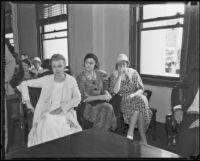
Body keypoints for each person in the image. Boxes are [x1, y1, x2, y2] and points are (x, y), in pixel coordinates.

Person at [18, 54, 82, 147]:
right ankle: (50, 150)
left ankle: (62, 150)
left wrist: (62, 108)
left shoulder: (71, 80)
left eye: (60, 66)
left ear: (65, 65)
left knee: (61, 123)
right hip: (47, 111)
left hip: (65, 112)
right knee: (49, 121)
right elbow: (23, 84)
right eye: (54, 66)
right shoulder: (46, 79)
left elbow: (78, 97)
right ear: (51, 67)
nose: (57, 69)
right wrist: (28, 103)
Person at [109, 53, 152, 144]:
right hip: (122, 99)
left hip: (135, 96)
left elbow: (141, 88)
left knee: (139, 99)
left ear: (127, 64)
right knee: (141, 104)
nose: (122, 66)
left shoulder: (133, 72)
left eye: (124, 64)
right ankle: (143, 139)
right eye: (119, 64)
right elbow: (115, 91)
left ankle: (130, 132)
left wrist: (134, 95)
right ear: (117, 65)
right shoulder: (114, 75)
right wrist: (120, 76)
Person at [76, 53, 117, 131]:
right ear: (84, 63)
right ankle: (99, 135)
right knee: (108, 107)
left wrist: (107, 94)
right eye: (86, 62)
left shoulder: (100, 74)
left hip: (100, 103)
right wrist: (100, 97)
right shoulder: (80, 78)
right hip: (86, 106)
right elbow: (83, 98)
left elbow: (105, 89)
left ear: (95, 64)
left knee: (107, 108)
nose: (88, 65)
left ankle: (98, 136)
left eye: (91, 63)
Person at [173, 87, 199, 157]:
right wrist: (177, 108)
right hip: (189, 114)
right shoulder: (193, 76)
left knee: (194, 136)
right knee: (185, 136)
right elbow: (177, 88)